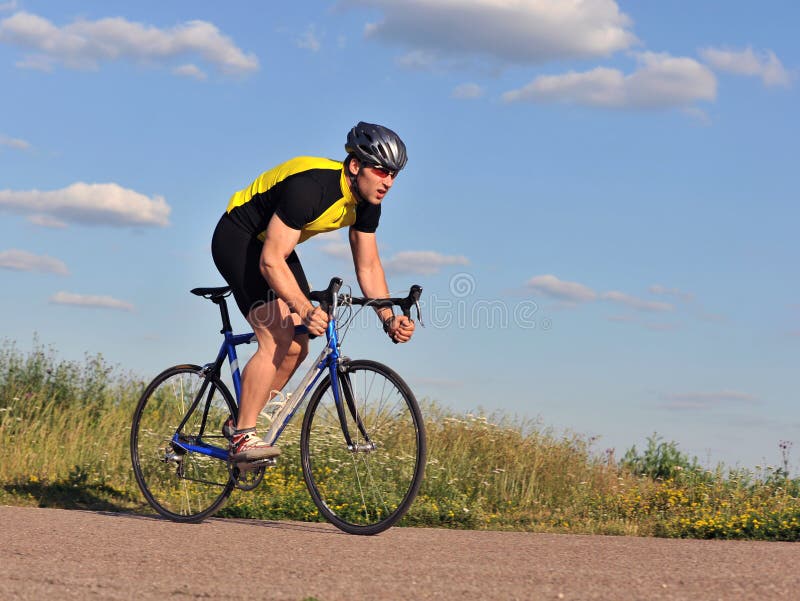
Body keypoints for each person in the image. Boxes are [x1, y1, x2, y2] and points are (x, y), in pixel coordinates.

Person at [211, 122, 416, 462]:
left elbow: (368, 267)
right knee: (276, 335)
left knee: (296, 346)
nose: (388, 183)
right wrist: (304, 309)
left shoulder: (367, 203)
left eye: (393, 175)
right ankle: (243, 437)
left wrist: (388, 318)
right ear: (355, 166)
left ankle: (239, 421)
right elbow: (270, 262)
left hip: (275, 245)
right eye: (381, 171)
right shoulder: (311, 188)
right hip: (239, 237)